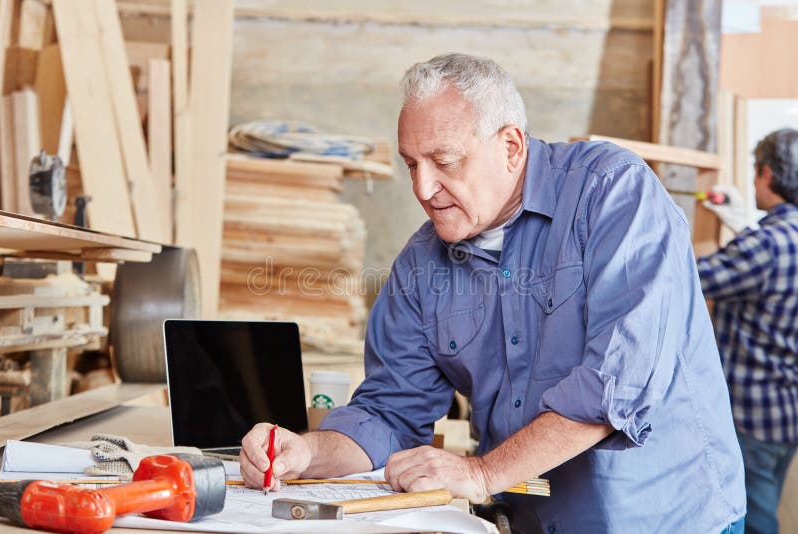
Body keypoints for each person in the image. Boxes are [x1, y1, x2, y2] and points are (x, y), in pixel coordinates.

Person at [240, 53, 746, 533]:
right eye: (411, 164)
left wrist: (480, 474)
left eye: (444, 161)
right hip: (532, 518)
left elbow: (614, 387)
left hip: (665, 517)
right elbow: (389, 413)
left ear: (511, 146)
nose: (422, 187)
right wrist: (306, 452)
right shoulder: (420, 265)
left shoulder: (613, 193)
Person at [698, 128, 798, 534]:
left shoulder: (767, 245)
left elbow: (690, 279)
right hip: (786, 414)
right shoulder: (777, 241)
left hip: (751, 420)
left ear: (768, 175)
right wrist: (743, 228)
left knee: (753, 521)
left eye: (756, 173)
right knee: (763, 506)